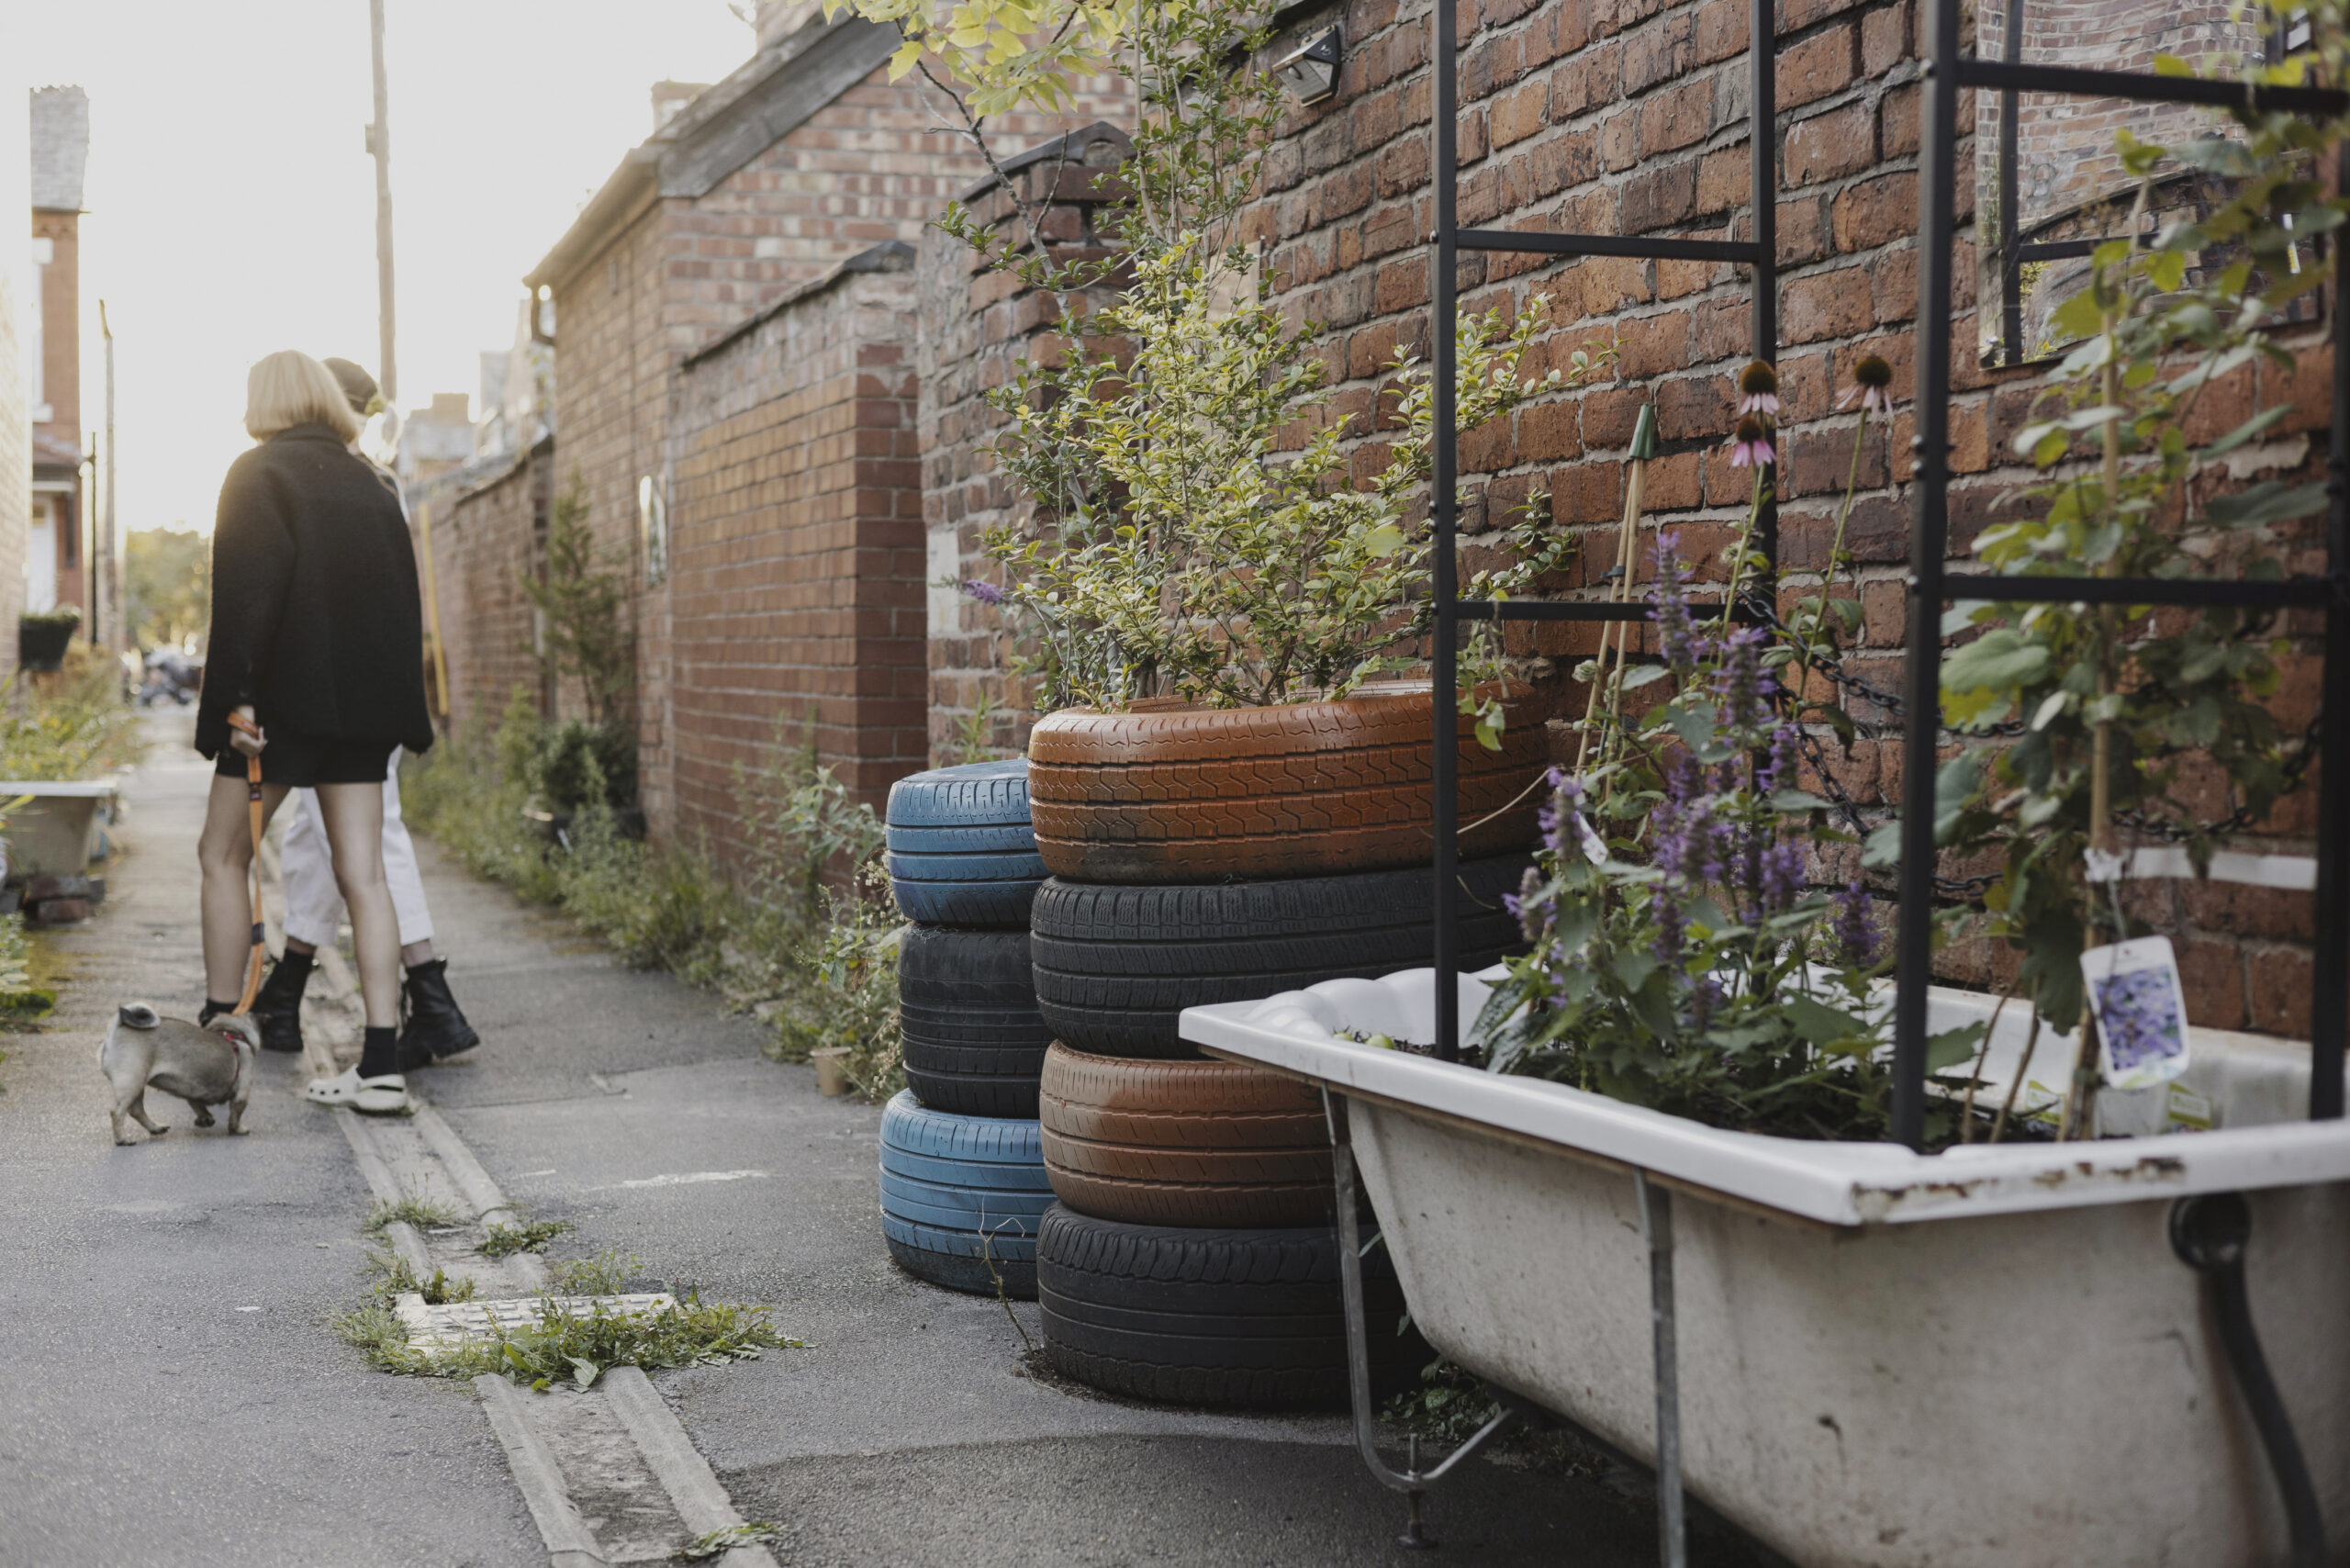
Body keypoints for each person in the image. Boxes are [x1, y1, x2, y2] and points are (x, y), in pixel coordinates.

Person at [195, 349, 435, 1115]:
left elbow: (244, 602)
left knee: (223, 853)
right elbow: (402, 609)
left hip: (277, 714)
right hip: (365, 717)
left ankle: (219, 1042)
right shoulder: (375, 484)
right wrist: (400, 716)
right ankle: (383, 1066)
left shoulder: (257, 474)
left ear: (267, 400)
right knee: (364, 876)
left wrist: (235, 701)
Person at [243, 357, 479, 1071]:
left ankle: (420, 996)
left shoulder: (356, 485)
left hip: (343, 701)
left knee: (368, 847)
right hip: (363, 697)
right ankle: (306, 993)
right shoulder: (364, 484)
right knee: (327, 844)